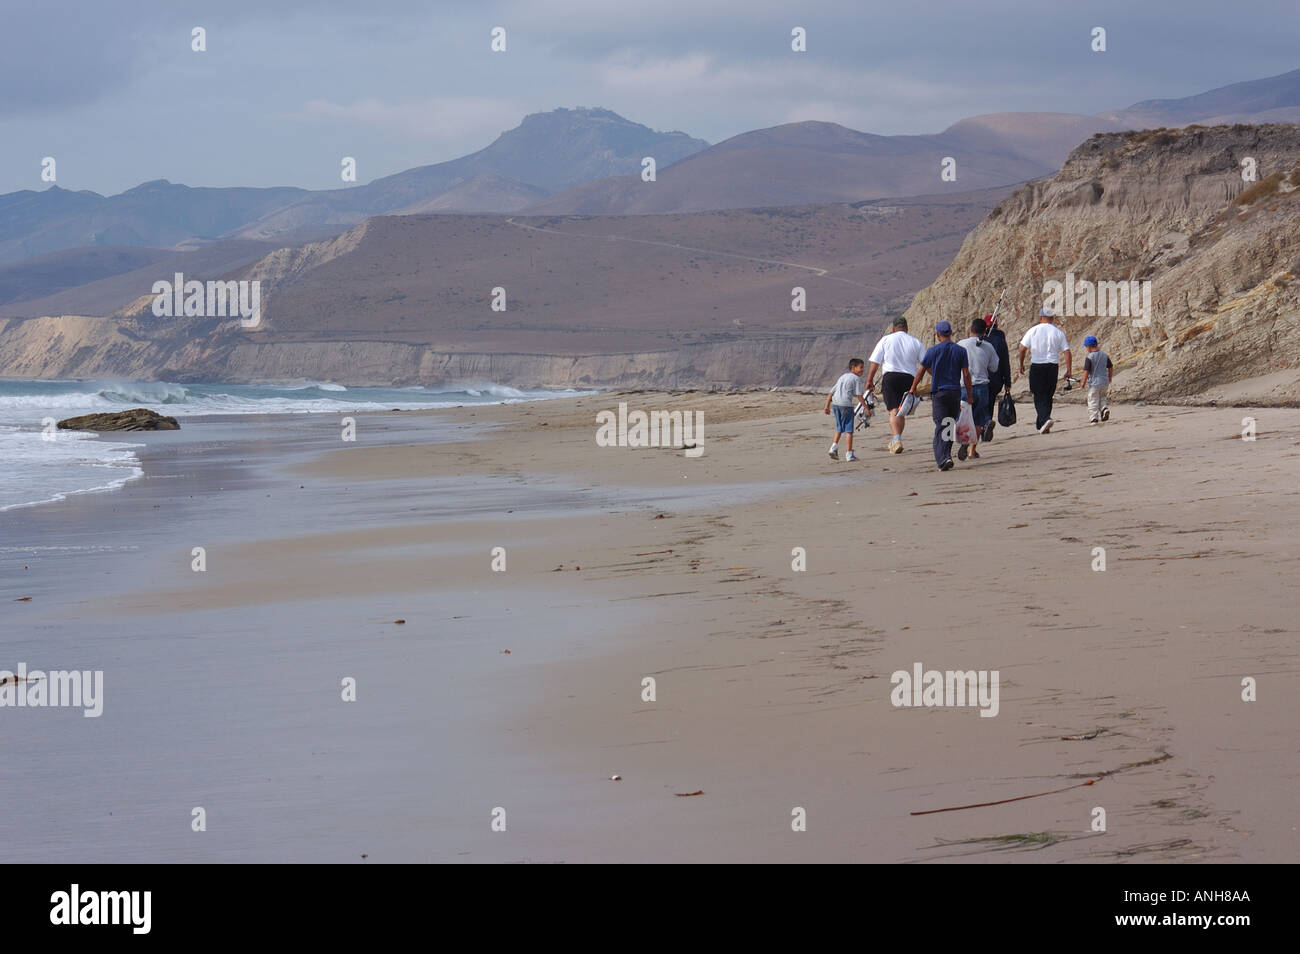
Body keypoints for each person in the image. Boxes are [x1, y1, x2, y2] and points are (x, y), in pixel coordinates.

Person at [908, 320, 974, 471]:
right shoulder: (960, 351)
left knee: (941, 425)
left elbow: (921, 371)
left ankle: (943, 458)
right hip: (955, 392)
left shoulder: (933, 351)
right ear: (950, 333)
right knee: (949, 423)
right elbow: (966, 374)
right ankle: (946, 456)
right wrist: (969, 395)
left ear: (937, 335)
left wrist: (913, 388)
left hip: (939, 392)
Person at [864, 317, 925, 454]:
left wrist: (869, 380)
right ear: (907, 328)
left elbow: (875, 362)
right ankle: (896, 439)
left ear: (893, 329)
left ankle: (896, 439)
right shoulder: (916, 342)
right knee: (901, 410)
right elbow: (925, 364)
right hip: (909, 378)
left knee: (893, 410)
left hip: (890, 377)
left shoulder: (886, 340)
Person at [1018, 306, 1071, 433]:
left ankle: (1045, 418)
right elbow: (1067, 352)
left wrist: (1021, 363)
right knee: (1048, 394)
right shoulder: (1058, 332)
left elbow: (1022, 348)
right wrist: (1069, 369)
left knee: (1038, 394)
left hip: (1037, 365)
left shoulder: (1033, 330)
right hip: (1052, 366)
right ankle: (1042, 423)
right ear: (1052, 318)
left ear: (1041, 317)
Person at [956, 317, 999, 460]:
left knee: (964, 419)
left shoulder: (961, 344)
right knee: (978, 420)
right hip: (982, 386)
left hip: (964, 386)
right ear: (985, 331)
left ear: (970, 330)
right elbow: (994, 367)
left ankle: (964, 442)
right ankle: (972, 450)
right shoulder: (988, 346)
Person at [823, 358, 868, 461]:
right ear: (853, 368)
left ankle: (833, 447)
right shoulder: (856, 379)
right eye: (861, 367)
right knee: (849, 430)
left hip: (835, 404)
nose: (862, 370)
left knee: (839, 427)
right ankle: (849, 454)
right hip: (846, 405)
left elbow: (831, 392)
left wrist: (826, 406)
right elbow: (859, 395)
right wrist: (866, 408)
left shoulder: (842, 377)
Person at [981, 313, 1012, 441]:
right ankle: (987, 423)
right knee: (990, 403)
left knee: (980, 405)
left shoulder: (981, 340)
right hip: (996, 379)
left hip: (981, 378)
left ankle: (984, 424)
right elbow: (1005, 361)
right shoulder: (1000, 340)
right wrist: (1007, 381)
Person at [1079, 335, 1115, 425]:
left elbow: (1086, 371)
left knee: (1093, 400)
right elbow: (1110, 367)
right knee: (1102, 397)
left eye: (1086, 347)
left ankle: (1094, 419)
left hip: (1094, 383)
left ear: (1089, 346)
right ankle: (1104, 409)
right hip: (1105, 381)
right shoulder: (1104, 355)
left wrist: (1083, 382)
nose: (1086, 348)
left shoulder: (1090, 357)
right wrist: (1110, 377)